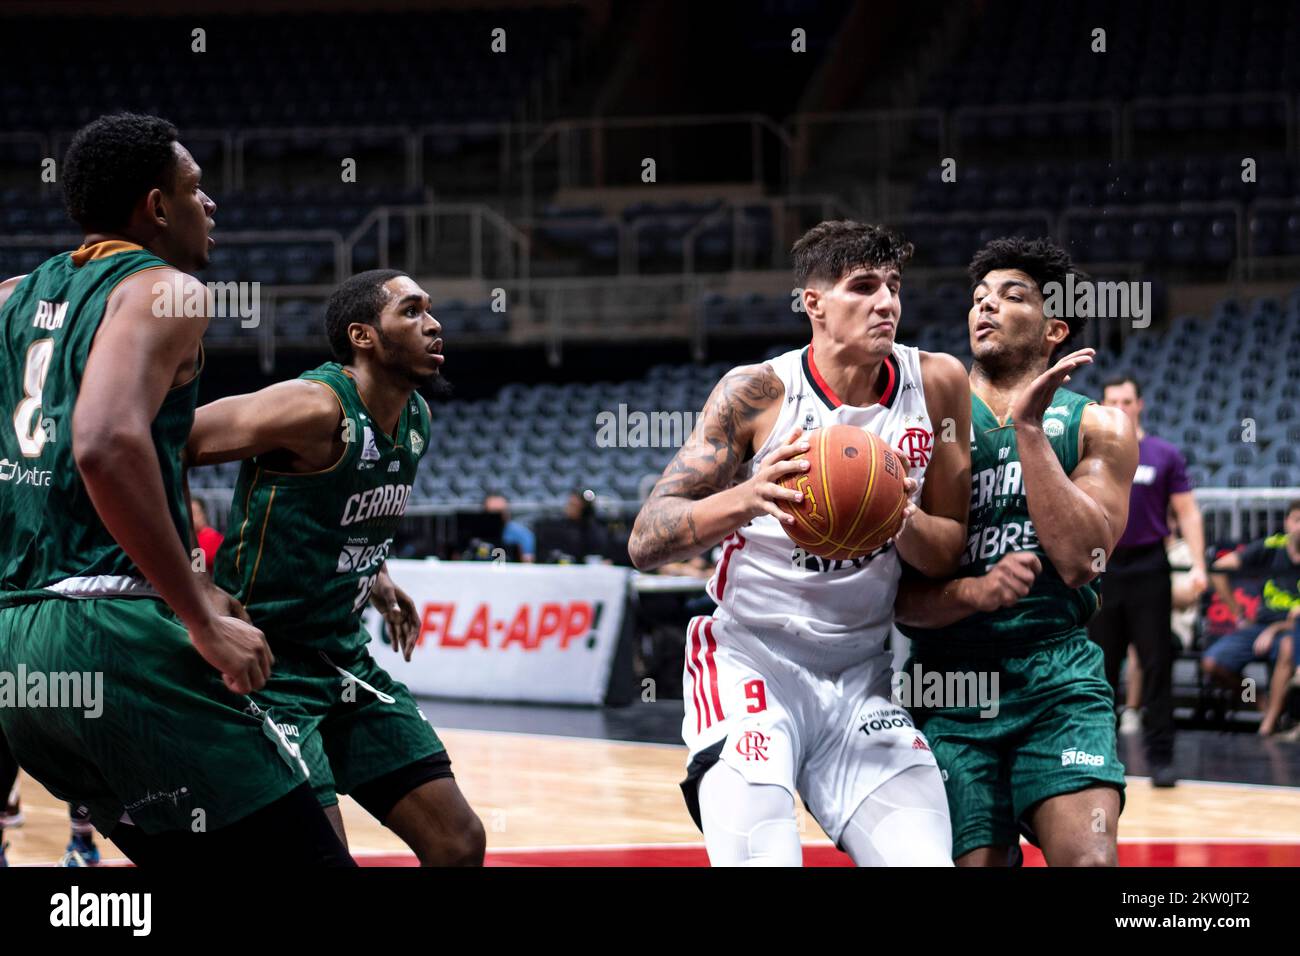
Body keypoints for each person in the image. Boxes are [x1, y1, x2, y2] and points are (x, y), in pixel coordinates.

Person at [0, 113, 352, 866]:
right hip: (114, 636)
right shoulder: (169, 292)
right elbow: (103, 443)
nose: (211, 203)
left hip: (18, 651)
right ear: (156, 207)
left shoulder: (8, 300)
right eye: (196, 188)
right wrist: (197, 617)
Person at [629, 220, 972, 866]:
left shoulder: (940, 382)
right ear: (813, 302)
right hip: (750, 665)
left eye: (894, 286)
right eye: (863, 287)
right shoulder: (757, 393)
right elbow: (646, 538)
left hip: (862, 677)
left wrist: (894, 515)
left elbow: (948, 548)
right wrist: (748, 496)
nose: (887, 303)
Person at [187, 269, 485, 865]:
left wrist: (375, 575)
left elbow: (337, 511)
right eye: (412, 311)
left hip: (341, 657)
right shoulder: (314, 406)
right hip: (266, 664)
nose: (434, 323)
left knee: (458, 840)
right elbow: (158, 442)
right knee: (322, 857)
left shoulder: (417, 416)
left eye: (430, 309)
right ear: (363, 336)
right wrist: (194, 582)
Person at [896, 237, 1139, 866]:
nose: (987, 308)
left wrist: (1029, 431)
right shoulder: (925, 420)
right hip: (949, 679)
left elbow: (1084, 559)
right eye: (978, 298)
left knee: (1091, 862)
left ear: (1055, 327)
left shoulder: (1096, 425)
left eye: (1011, 296)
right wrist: (975, 593)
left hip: (1057, 675)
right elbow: (902, 606)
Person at [1086, 374, 1206, 787]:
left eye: (1126, 400)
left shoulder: (1162, 453)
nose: (1120, 406)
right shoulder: (1090, 454)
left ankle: (1161, 759)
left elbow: (1188, 512)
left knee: (1156, 665)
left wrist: (1199, 566)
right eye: (1112, 400)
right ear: (1101, 407)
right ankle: (1100, 756)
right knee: (1100, 667)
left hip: (1150, 568)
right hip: (1105, 567)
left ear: (1139, 405)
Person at [1203, 500, 1300, 736]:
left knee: (1289, 646)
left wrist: (1275, 629)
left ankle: (1269, 725)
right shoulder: (1272, 546)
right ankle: (1261, 702)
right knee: (1213, 664)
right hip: (1258, 627)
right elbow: (1218, 569)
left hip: (1291, 631)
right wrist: (1237, 613)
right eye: (1298, 520)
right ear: (1287, 522)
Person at [483, 491, 536, 562]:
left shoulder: (522, 533)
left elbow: (529, 562)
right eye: (492, 513)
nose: (496, 517)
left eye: (500, 512)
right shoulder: (473, 532)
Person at [191, 497, 224, 571]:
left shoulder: (213, 538)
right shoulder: (189, 538)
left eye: (192, 513)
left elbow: (198, 570)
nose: (189, 517)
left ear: (203, 514)